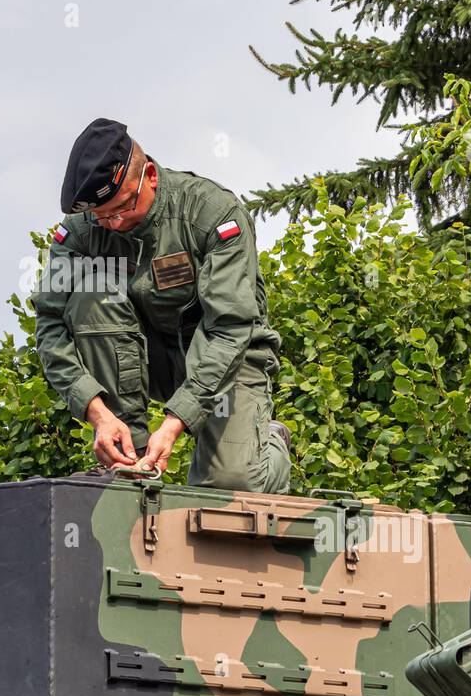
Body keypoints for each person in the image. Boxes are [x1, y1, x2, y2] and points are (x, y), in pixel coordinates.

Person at [31, 118, 291, 491]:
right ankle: (130, 460)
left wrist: (175, 422)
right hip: (149, 357)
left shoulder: (214, 214)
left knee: (228, 485)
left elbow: (232, 328)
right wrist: (97, 412)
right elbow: (51, 325)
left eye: (123, 208)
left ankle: (272, 443)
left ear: (149, 175)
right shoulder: (78, 234)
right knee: (93, 293)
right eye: (102, 217)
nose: (115, 224)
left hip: (229, 357)